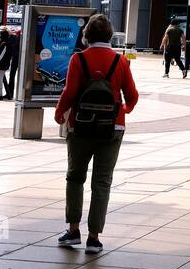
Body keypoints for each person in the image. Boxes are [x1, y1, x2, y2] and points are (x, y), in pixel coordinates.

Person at [54, 13, 139, 254]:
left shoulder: (78, 59)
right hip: (112, 127)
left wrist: (60, 112)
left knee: (75, 177)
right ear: (110, 36)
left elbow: (69, 92)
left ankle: (72, 231)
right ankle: (94, 237)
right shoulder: (120, 61)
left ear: (87, 35)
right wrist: (124, 109)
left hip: (80, 126)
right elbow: (132, 95)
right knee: (102, 181)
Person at [0, 27, 14, 100]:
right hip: (5, 64)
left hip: (1, 65)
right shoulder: (8, 43)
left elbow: (1, 56)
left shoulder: (4, 44)